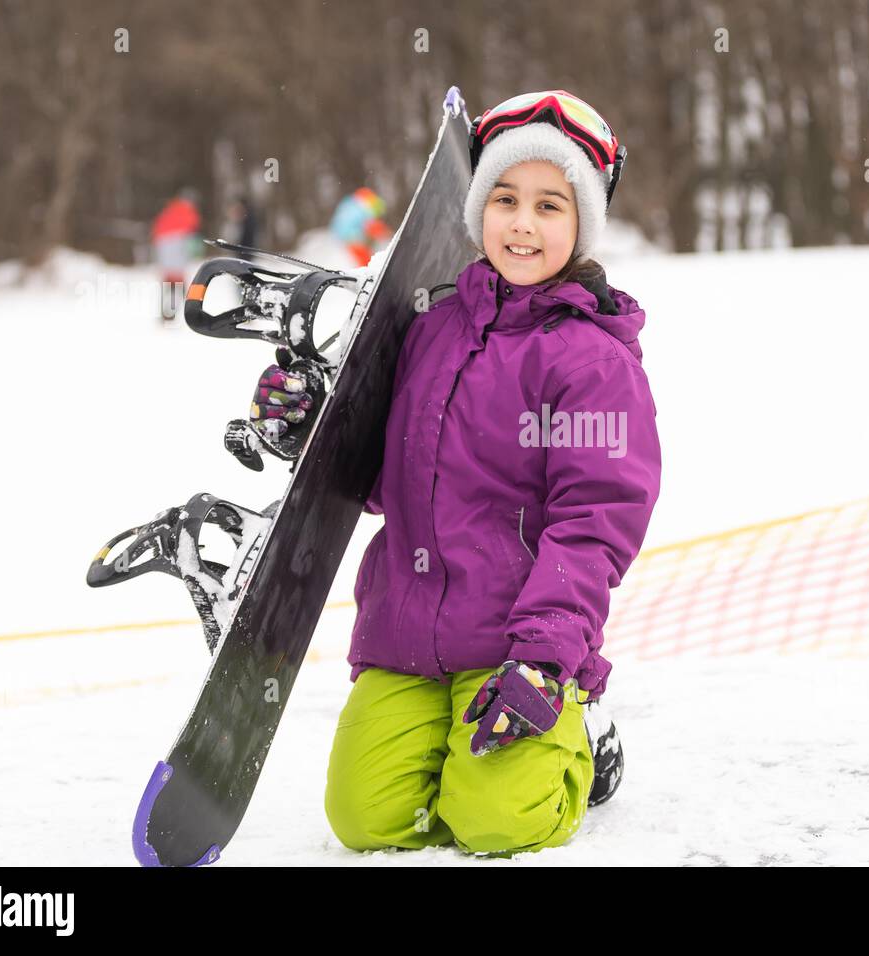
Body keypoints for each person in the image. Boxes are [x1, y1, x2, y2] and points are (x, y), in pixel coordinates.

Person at [253, 90, 659, 856]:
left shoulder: (589, 360)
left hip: (519, 642)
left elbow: (595, 522)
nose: (523, 224)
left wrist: (544, 657)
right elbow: (380, 479)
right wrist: (307, 424)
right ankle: (453, 747)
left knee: (495, 823)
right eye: (504, 199)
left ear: (582, 225)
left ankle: (583, 731)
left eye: (550, 205)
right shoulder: (430, 328)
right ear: (478, 211)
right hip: (407, 634)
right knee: (365, 820)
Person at [151, 187, 202, 320]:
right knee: (178, 286)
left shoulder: (170, 210)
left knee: (169, 285)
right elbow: (192, 237)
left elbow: (157, 230)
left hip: (165, 253)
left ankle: (166, 312)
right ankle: (176, 311)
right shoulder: (191, 214)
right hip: (178, 255)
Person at [329, 186, 392, 266]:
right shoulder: (364, 206)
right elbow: (371, 225)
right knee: (366, 262)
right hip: (353, 237)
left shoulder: (350, 203)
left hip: (345, 237)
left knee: (365, 260)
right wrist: (385, 234)